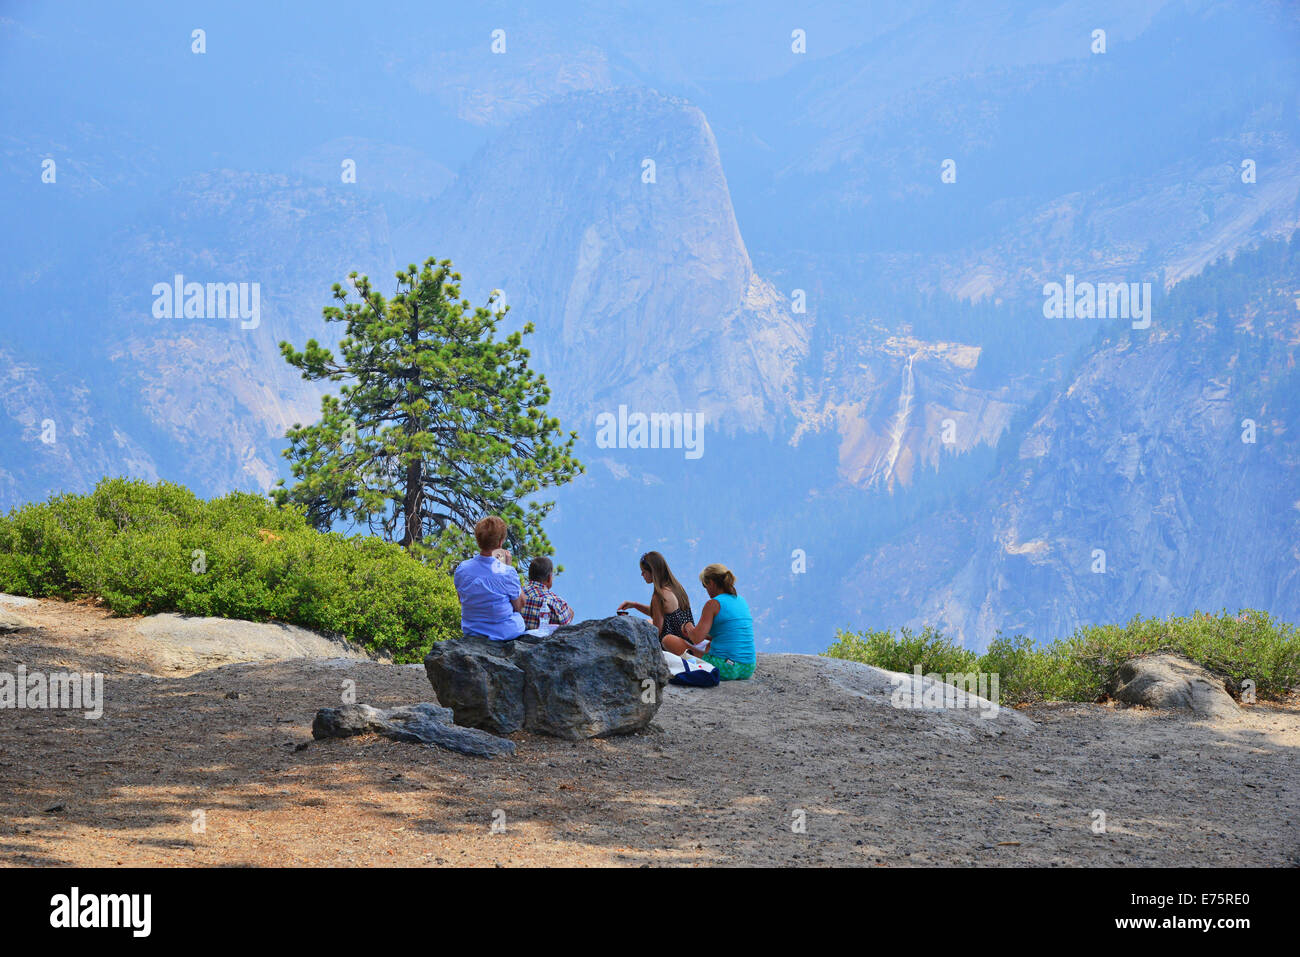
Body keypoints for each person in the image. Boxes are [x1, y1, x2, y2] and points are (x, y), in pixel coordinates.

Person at [452, 516, 526, 640]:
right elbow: (519, 606)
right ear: (500, 542)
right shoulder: (506, 572)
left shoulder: (462, 569)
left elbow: (462, 600)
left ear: (478, 540)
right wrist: (506, 567)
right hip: (504, 633)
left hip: (472, 631)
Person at [680, 563, 756, 680]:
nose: (706, 590)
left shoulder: (713, 604)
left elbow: (696, 638)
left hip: (725, 668)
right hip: (748, 668)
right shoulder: (741, 600)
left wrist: (688, 626)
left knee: (670, 641)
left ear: (711, 583)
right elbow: (727, 634)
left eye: (705, 586)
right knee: (708, 645)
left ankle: (694, 664)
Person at [617, 551, 695, 650]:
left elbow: (657, 631)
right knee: (648, 621)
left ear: (653, 572)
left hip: (671, 646)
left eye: (644, 571)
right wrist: (635, 605)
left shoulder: (659, 596)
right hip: (687, 641)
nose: (642, 575)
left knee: (640, 626)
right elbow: (662, 614)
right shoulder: (676, 588)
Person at [521, 556, 575, 631]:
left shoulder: (517, 595)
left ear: (530, 576)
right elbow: (567, 624)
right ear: (549, 578)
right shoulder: (556, 602)